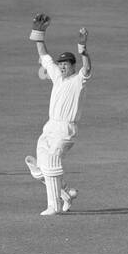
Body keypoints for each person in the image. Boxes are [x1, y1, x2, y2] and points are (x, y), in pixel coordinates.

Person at [23, 14, 93, 215]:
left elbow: (87, 67)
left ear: (73, 65)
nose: (62, 66)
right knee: (40, 169)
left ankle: (53, 207)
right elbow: (44, 56)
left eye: (66, 64)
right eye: (60, 63)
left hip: (66, 128)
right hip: (50, 126)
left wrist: (82, 49)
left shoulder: (79, 80)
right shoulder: (57, 77)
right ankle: (65, 195)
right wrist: (39, 33)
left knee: (52, 161)